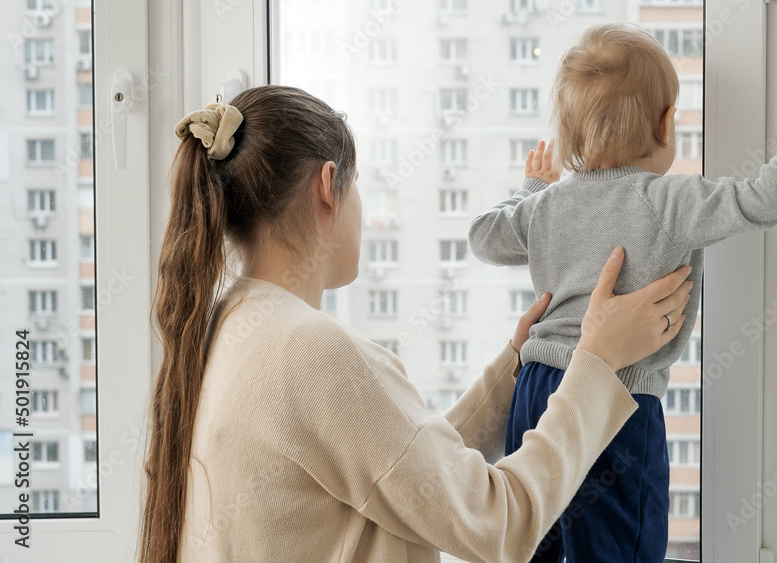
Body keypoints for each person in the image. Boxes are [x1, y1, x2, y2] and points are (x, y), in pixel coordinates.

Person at [140, 85, 694, 563]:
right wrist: (595, 365)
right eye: (358, 188)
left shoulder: (231, 326)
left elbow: (402, 472)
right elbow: (502, 524)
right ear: (328, 186)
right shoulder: (309, 351)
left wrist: (515, 369)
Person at [468, 24, 777, 562]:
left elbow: (483, 236)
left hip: (534, 392)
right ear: (667, 123)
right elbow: (764, 200)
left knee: (532, 542)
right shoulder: (665, 200)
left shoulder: (546, 207)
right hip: (615, 401)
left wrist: (532, 189)